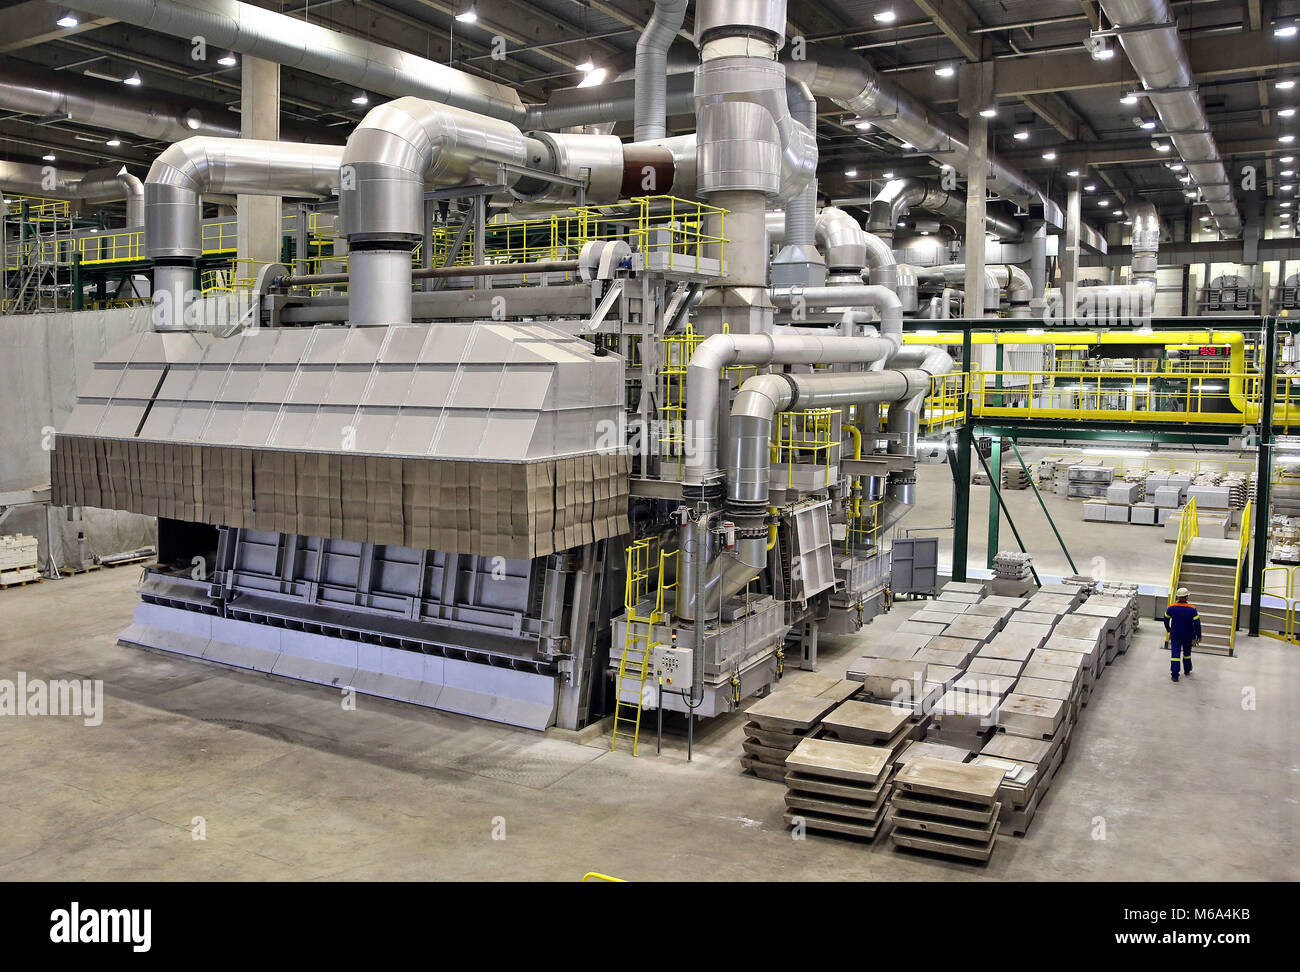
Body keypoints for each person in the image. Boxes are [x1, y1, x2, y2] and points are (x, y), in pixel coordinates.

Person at [1163, 587, 1200, 682]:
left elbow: (1166, 619)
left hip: (1175, 634)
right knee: (1187, 653)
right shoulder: (1192, 609)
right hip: (1188, 635)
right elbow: (1197, 623)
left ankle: (1175, 675)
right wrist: (1198, 635)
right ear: (1187, 597)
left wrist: (1168, 629)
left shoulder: (1171, 607)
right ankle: (1187, 670)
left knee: (1175, 654)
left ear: (1178, 597)